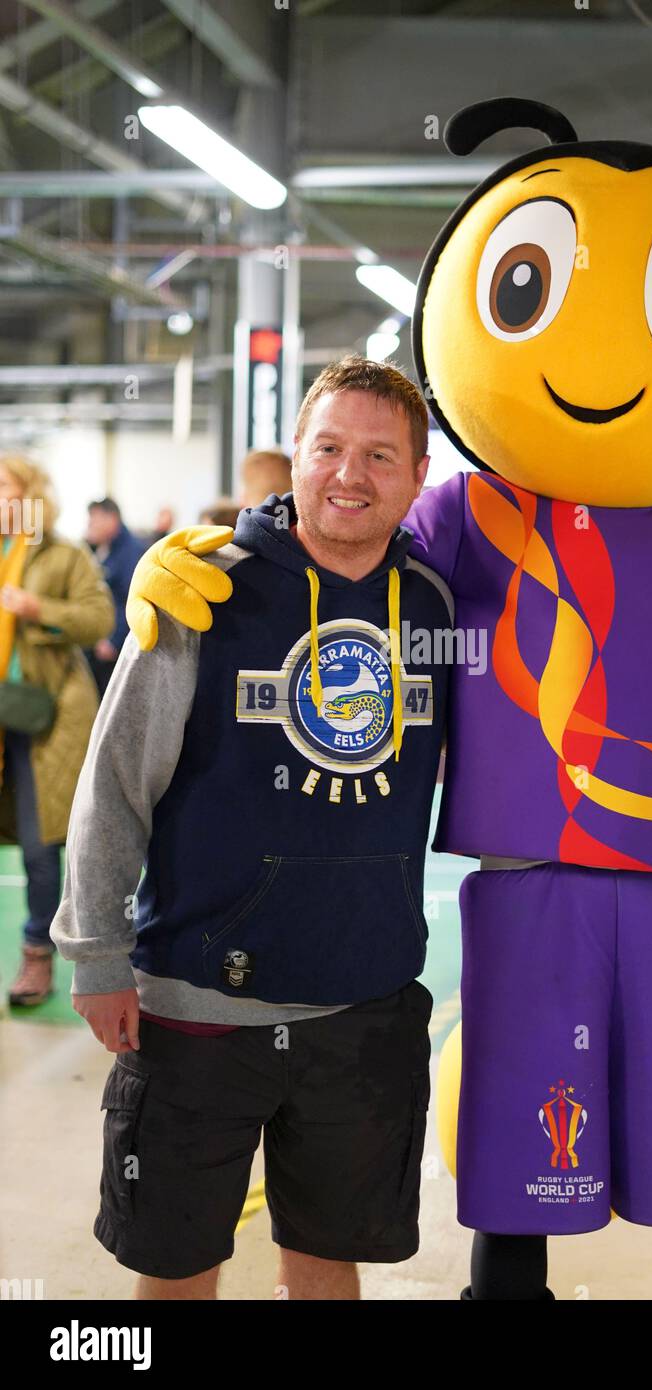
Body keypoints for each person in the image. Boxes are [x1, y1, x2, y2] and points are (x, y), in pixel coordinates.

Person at [130, 101, 652, 1303]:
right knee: (527, 1098)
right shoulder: (467, 515)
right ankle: (504, 1293)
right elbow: (338, 539)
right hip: (523, 880)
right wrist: (228, 544)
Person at [50, 358, 451, 1300]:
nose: (350, 474)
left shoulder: (434, 607)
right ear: (296, 462)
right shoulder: (202, 590)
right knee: (178, 1266)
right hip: (196, 1007)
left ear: (417, 478)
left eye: (380, 456)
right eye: (330, 449)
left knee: (324, 1261)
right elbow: (114, 784)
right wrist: (97, 953)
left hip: (363, 1008)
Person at [0, 457, 114, 1007]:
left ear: (30, 496)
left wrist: (34, 608)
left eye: (4, 489)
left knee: (42, 845)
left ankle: (37, 956)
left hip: (47, 720)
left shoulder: (61, 553)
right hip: (4, 718)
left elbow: (99, 620)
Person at [84, 498, 145, 697]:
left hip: (116, 647)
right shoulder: (105, 548)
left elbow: (133, 599)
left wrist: (115, 640)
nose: (90, 526)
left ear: (112, 519)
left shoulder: (130, 552)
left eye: (94, 520)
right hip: (102, 639)